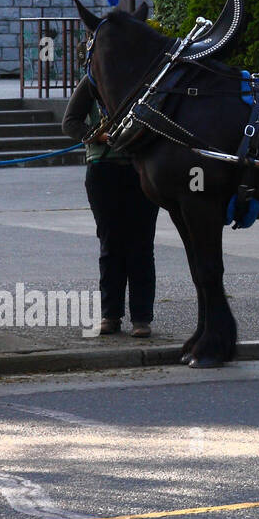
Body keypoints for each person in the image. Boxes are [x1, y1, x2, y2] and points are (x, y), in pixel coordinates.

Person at [63, 77, 158, 338]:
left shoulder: (147, 80)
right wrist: (95, 135)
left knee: (141, 245)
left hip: (141, 170)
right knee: (111, 244)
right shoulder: (92, 83)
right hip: (103, 169)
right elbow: (70, 122)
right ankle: (111, 315)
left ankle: (141, 318)